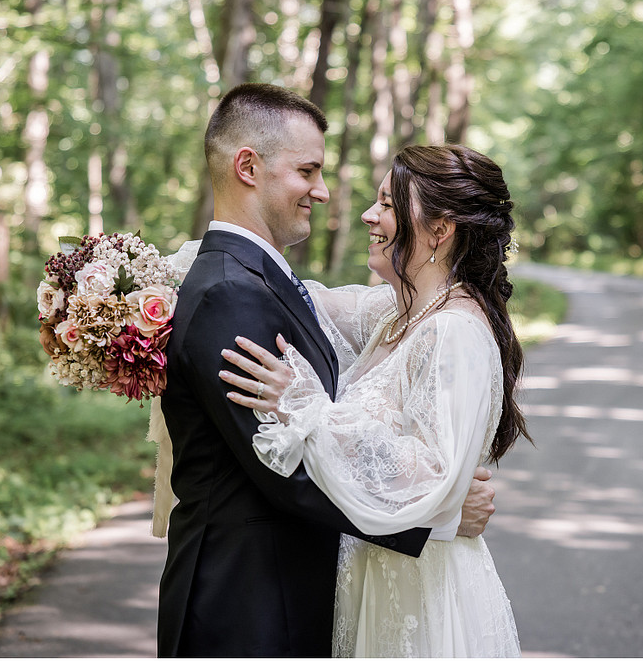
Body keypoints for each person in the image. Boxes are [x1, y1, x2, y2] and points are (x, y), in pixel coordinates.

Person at [156, 84, 497, 657]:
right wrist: (440, 511)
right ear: (248, 166)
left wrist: (439, 494)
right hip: (246, 609)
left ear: (440, 231)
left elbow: (322, 314)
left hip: (319, 596)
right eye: (309, 170)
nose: (327, 192)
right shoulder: (231, 294)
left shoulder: (422, 318)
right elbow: (285, 471)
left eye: (387, 204)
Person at [221, 144, 529, 656]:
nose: (369, 214)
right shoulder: (397, 312)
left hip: (421, 591)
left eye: (387, 204)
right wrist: (128, 282)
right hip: (376, 577)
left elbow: (432, 474)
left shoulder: (453, 332)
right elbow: (298, 293)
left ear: (439, 230)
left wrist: (304, 406)